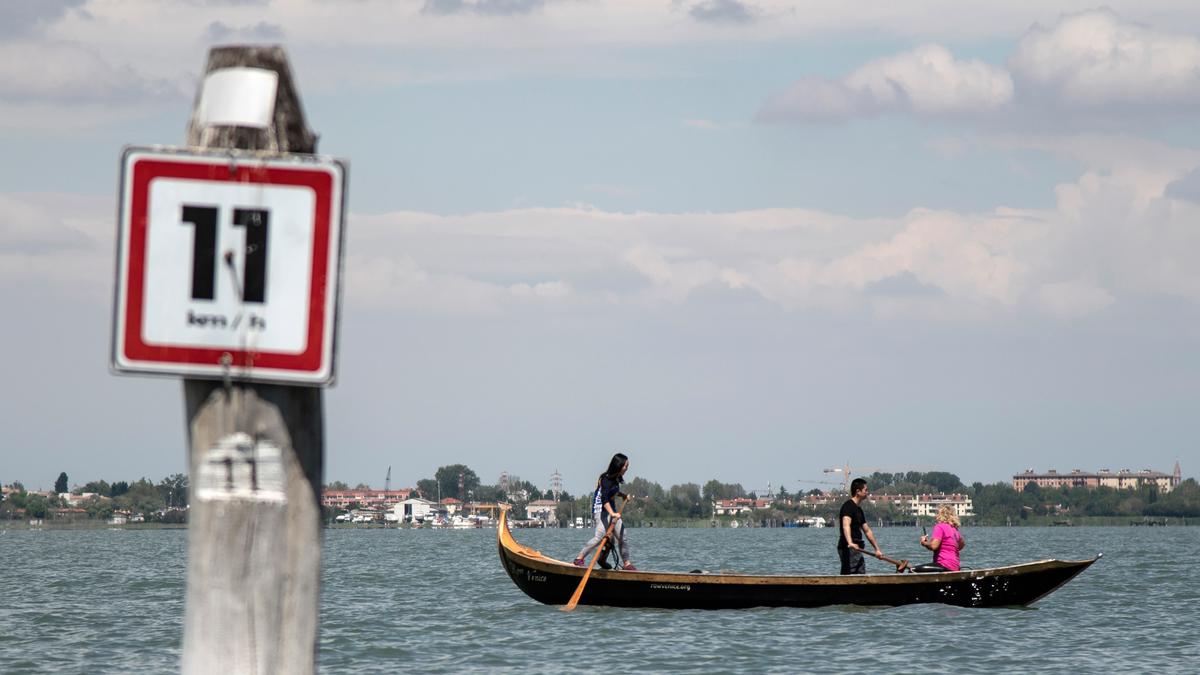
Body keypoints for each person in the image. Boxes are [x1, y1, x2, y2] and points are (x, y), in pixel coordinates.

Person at [574, 452, 636, 571]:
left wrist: (623, 495)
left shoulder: (617, 478)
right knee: (600, 536)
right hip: (600, 509)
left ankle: (626, 564)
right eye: (625, 466)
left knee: (622, 536)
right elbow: (604, 499)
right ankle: (579, 559)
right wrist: (612, 514)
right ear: (618, 465)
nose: (627, 468)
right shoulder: (606, 479)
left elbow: (614, 491)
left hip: (610, 509)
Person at [836, 478, 882, 575]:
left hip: (858, 548)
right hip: (848, 548)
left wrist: (877, 549)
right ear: (858, 491)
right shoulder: (848, 506)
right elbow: (846, 525)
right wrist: (850, 543)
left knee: (861, 573)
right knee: (849, 575)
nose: (867, 492)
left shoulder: (858, 510)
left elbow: (867, 531)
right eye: (865, 490)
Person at [919, 504, 966, 571]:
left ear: (940, 515)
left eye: (937, 513)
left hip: (943, 564)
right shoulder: (955, 530)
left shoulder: (939, 527)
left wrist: (924, 542)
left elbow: (933, 546)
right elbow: (961, 545)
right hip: (955, 566)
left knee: (912, 570)